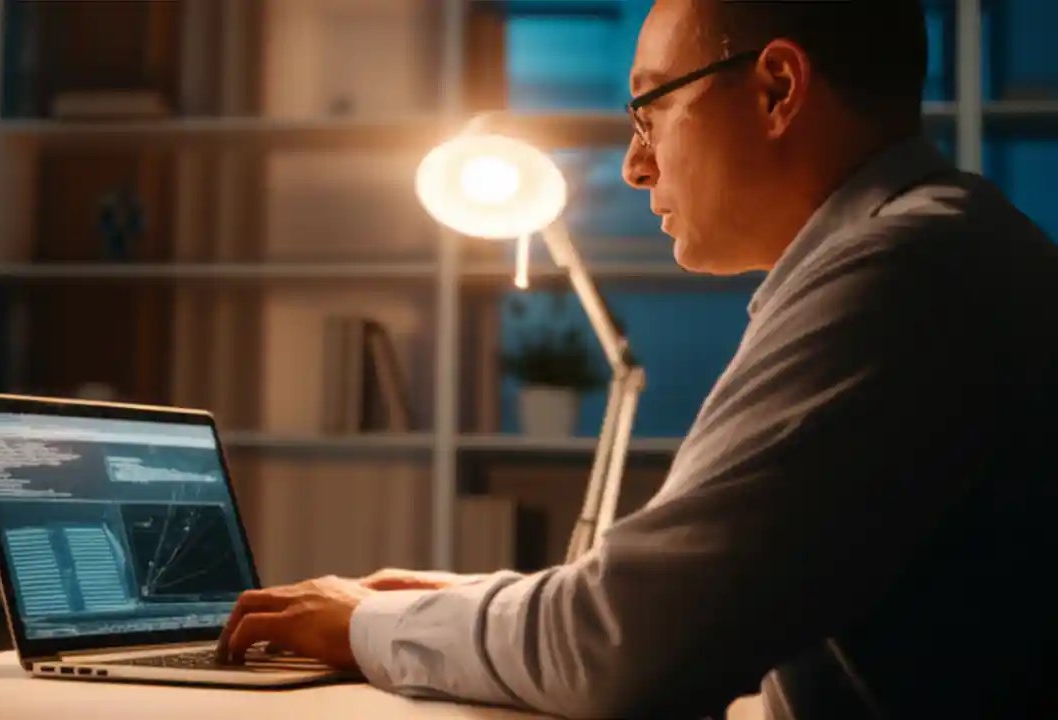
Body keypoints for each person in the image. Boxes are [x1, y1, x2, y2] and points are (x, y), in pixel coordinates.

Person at [218, 1, 1058, 717]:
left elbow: (625, 648)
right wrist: (457, 608)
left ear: (776, 89)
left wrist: (365, 627)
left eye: (649, 111)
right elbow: (660, 612)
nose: (633, 164)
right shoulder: (946, 247)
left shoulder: (903, 278)